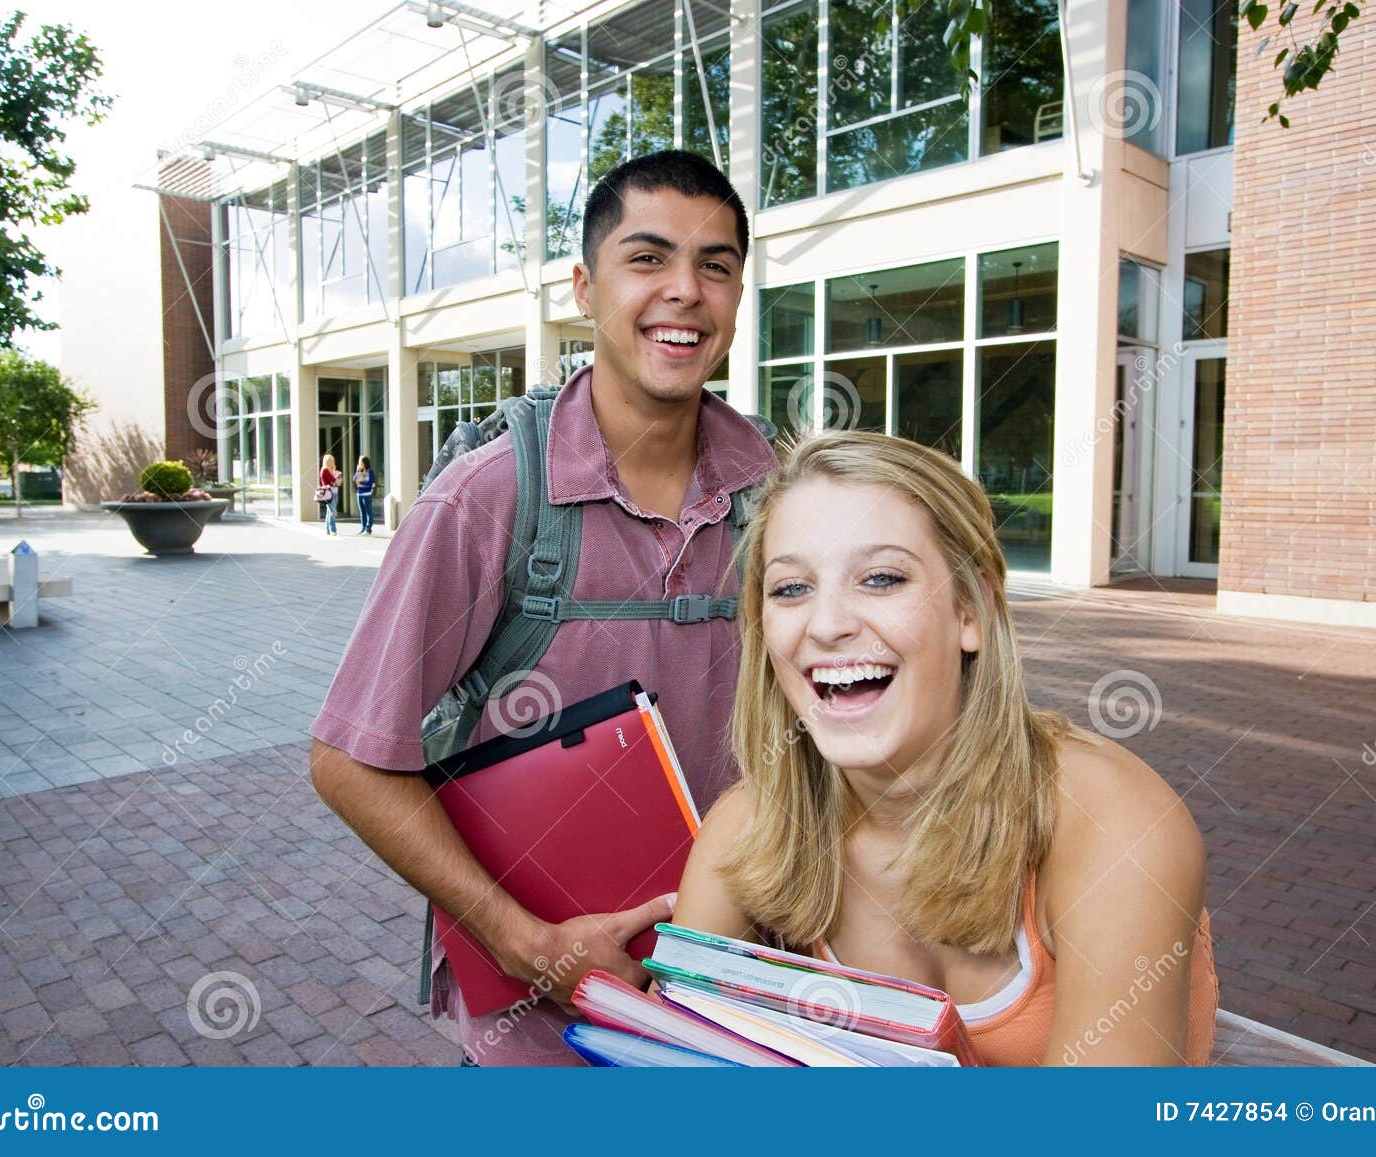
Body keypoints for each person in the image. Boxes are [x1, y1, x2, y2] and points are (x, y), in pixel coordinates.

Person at [309, 151, 778, 1066]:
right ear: (582, 288)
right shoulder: (486, 499)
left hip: (739, 1013)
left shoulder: (778, 491)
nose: (686, 290)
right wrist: (529, 946)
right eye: (647, 259)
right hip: (542, 1038)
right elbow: (349, 760)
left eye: (716, 266)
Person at [673, 432, 1220, 1065]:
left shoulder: (1111, 819)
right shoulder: (751, 823)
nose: (826, 625)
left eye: (881, 579)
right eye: (791, 589)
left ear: (972, 610)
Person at [353, 456, 376, 535]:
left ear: (365, 463)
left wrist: (361, 484)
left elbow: (370, 482)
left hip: (367, 494)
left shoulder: (370, 472)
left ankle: (368, 528)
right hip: (359, 493)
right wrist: (358, 471)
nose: (360, 465)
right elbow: (354, 479)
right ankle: (363, 528)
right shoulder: (360, 471)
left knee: (368, 511)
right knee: (362, 511)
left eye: (361, 463)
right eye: (359, 463)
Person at [318, 454, 339, 536]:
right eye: (332, 461)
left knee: (329, 511)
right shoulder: (326, 470)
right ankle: (332, 529)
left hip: (329, 493)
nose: (333, 463)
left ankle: (327, 529)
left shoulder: (324, 470)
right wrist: (334, 474)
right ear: (328, 462)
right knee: (332, 512)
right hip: (330, 492)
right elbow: (333, 480)